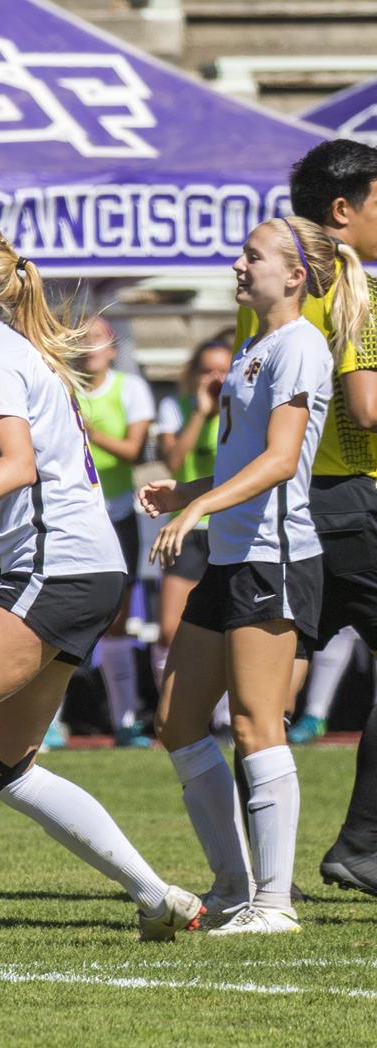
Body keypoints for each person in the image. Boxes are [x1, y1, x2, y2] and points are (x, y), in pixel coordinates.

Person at [0, 226, 202, 956]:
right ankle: (158, 898)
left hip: (60, 570)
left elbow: (20, 464)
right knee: (7, 764)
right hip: (78, 567)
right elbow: (46, 468)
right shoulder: (0, 353)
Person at [144, 215, 358, 935]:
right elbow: (246, 460)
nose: (239, 265)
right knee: (176, 721)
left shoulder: (299, 345)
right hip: (234, 553)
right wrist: (189, 491)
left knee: (255, 725)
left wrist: (198, 505)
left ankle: (274, 904)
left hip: (274, 556)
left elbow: (279, 459)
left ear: (295, 276)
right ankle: (235, 887)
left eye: (253, 256)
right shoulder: (254, 345)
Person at [248, 141, 377, 898]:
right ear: (343, 209)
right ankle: (363, 843)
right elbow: (364, 406)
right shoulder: (352, 284)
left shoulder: (267, 288)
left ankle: (258, 869)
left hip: (283, 503)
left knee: (265, 689)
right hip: (349, 499)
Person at [77, 318, 157, 747]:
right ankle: (51, 723)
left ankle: (124, 719)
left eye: (97, 339)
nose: (89, 347)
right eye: (82, 339)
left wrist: (90, 435)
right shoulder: (62, 386)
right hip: (73, 517)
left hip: (118, 516)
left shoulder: (130, 388)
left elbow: (132, 451)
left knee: (119, 621)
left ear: (112, 348)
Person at [151, 333, 231, 698]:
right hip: (186, 528)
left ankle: (220, 715)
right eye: (206, 370)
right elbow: (174, 462)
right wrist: (201, 411)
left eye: (222, 371)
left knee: (229, 626)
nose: (214, 378)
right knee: (170, 628)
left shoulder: (242, 409)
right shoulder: (178, 406)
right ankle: (170, 706)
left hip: (227, 525)